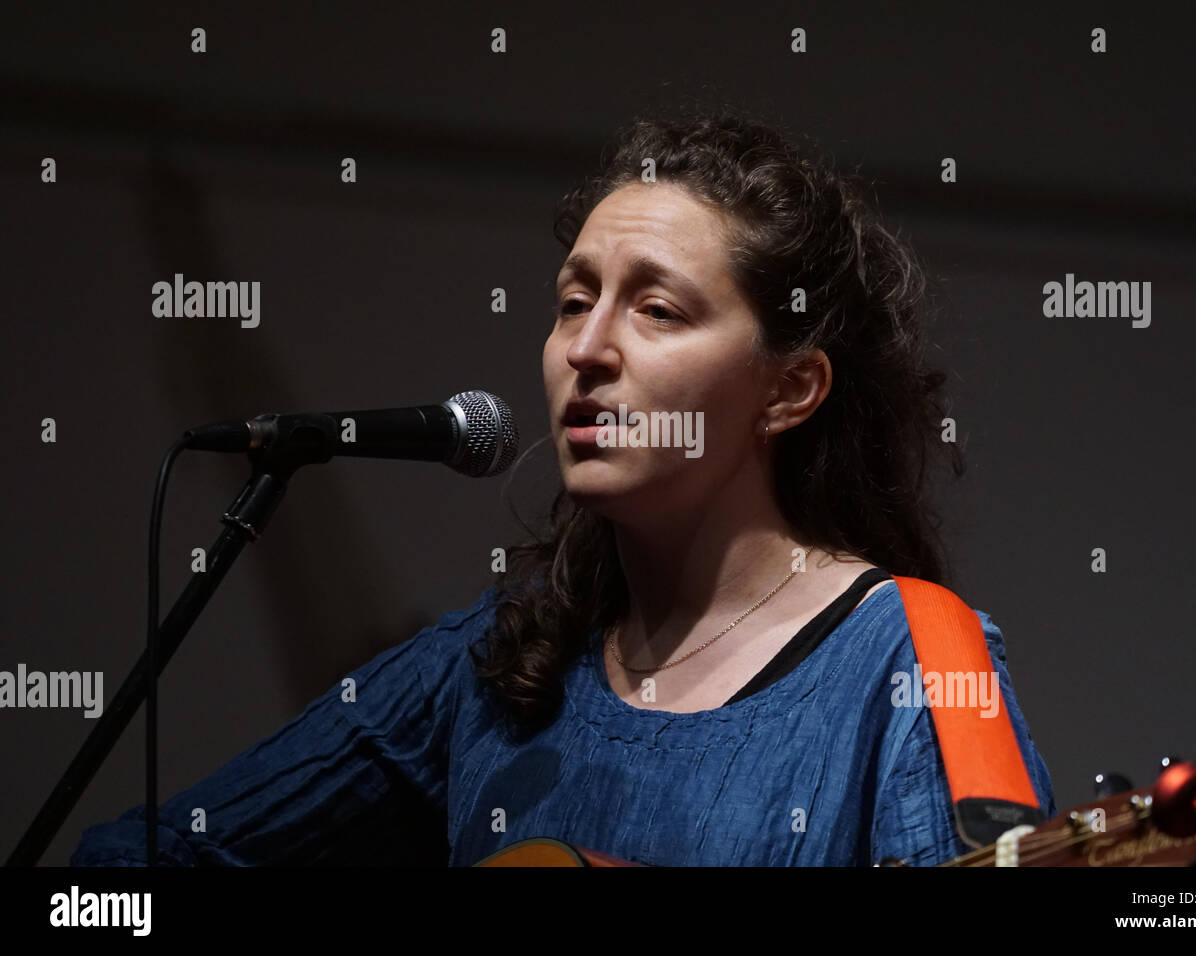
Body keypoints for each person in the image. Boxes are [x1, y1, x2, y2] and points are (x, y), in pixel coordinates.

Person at [72, 104, 1055, 867]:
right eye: (574, 301)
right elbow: (126, 871)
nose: (585, 348)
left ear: (789, 388)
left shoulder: (913, 655)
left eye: (657, 309)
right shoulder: (494, 665)